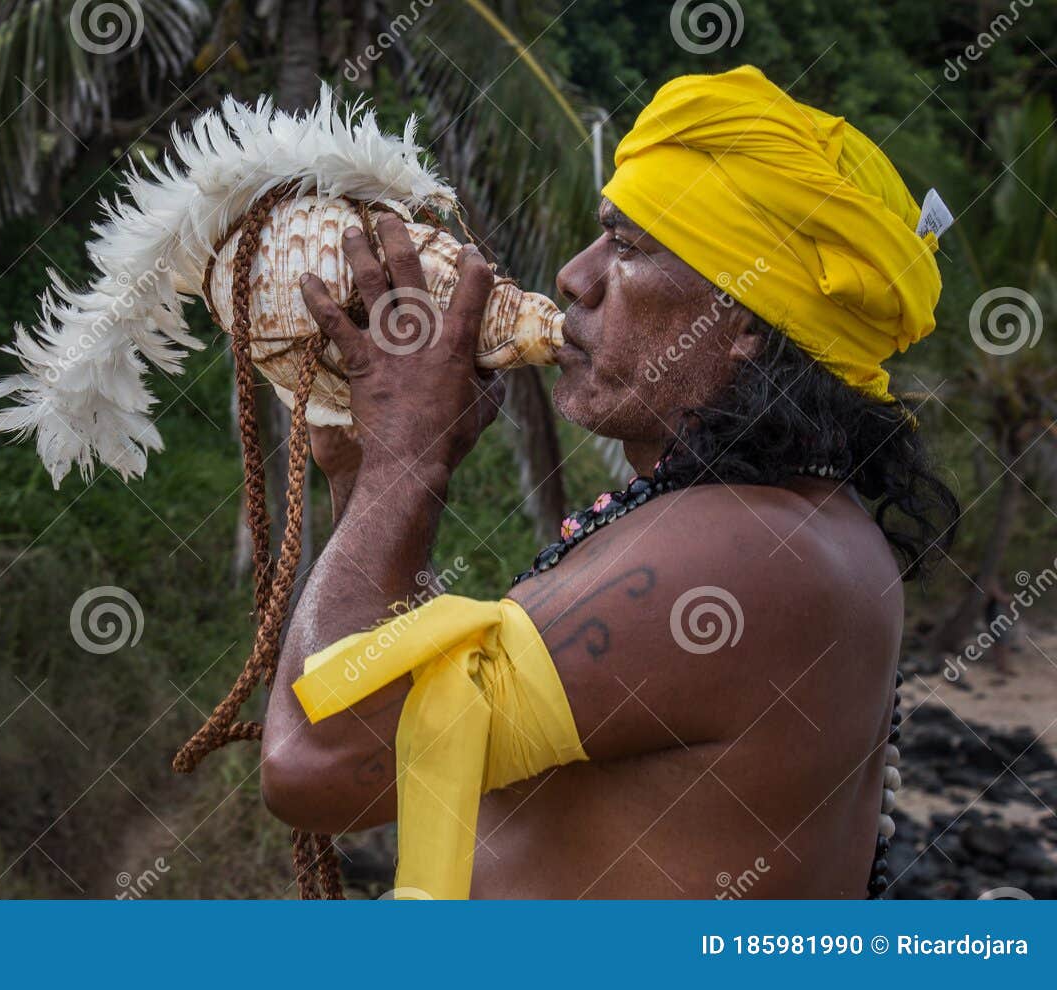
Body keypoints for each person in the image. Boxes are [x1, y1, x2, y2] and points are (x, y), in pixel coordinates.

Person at [259, 66, 959, 898]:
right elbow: (402, 704)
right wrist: (366, 478)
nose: (574, 276)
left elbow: (317, 764)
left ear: (742, 320)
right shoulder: (775, 527)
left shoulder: (742, 552)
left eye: (626, 248)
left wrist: (403, 466)